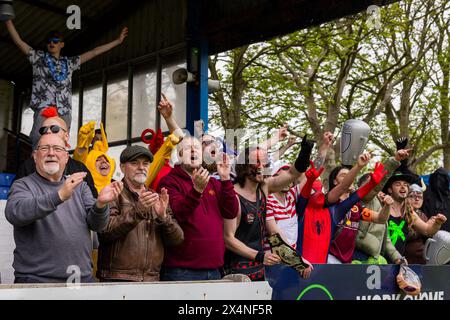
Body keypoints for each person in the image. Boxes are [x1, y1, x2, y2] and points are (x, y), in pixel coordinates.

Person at [5, 134, 123, 283]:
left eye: (57, 148)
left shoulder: (80, 186)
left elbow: (97, 225)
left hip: (80, 280)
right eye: (45, 148)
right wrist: (59, 195)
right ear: (35, 156)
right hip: (37, 282)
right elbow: (15, 213)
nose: (51, 153)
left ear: (66, 157)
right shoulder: (23, 185)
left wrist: (101, 204)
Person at [4, 18, 128, 147]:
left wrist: (117, 41)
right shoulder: (38, 58)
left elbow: (94, 52)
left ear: (61, 44)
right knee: (40, 140)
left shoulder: (69, 63)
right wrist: (7, 20)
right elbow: (19, 42)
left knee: (61, 142)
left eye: (55, 41)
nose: (52, 43)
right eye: (49, 41)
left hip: (64, 111)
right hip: (44, 107)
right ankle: (36, 165)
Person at [223, 135, 315, 281]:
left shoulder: (264, 188)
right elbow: (228, 239)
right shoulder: (232, 196)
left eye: (265, 162)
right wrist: (260, 256)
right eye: (256, 162)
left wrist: (305, 152)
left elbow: (292, 173)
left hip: (259, 269)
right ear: (244, 166)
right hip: (235, 272)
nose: (262, 167)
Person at [97, 146, 184, 282]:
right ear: (122, 167)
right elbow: (104, 232)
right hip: (117, 279)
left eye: (145, 163)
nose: (141, 167)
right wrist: (138, 211)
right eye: (134, 163)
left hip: (151, 279)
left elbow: (177, 240)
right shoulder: (112, 193)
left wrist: (164, 218)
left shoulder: (156, 197)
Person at [157, 136, 238, 281]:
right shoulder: (169, 181)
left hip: (214, 270)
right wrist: (197, 190)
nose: (194, 150)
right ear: (180, 155)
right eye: (188, 148)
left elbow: (231, 212)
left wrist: (225, 179)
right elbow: (179, 213)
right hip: (181, 271)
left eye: (197, 148)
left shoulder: (213, 182)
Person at [296, 153, 388, 264]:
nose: (318, 194)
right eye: (314, 191)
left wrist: (371, 184)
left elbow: (355, 197)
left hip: (329, 268)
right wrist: (309, 181)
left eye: (320, 191)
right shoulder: (302, 210)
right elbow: (342, 188)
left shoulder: (334, 213)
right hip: (305, 266)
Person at [15, 107, 97, 198]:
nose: (48, 132)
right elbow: (17, 206)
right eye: (44, 130)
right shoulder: (28, 166)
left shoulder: (80, 169)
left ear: (66, 136)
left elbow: (93, 204)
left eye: (54, 128)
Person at [384, 169, 447, 257]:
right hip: (380, 260)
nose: (403, 187)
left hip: (398, 261)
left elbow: (427, 231)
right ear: (390, 190)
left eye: (405, 185)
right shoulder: (382, 205)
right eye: (398, 184)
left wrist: (437, 223)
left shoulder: (408, 211)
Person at [404, 183, 429, 264]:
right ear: (406, 198)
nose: (417, 199)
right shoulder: (402, 213)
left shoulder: (423, 215)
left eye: (420, 197)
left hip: (422, 259)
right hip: (405, 259)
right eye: (412, 196)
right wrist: (423, 229)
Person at [422, 167, 450, 232]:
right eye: (436, 178)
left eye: (442, 178)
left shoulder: (449, 197)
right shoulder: (426, 196)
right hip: (430, 234)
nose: (438, 181)